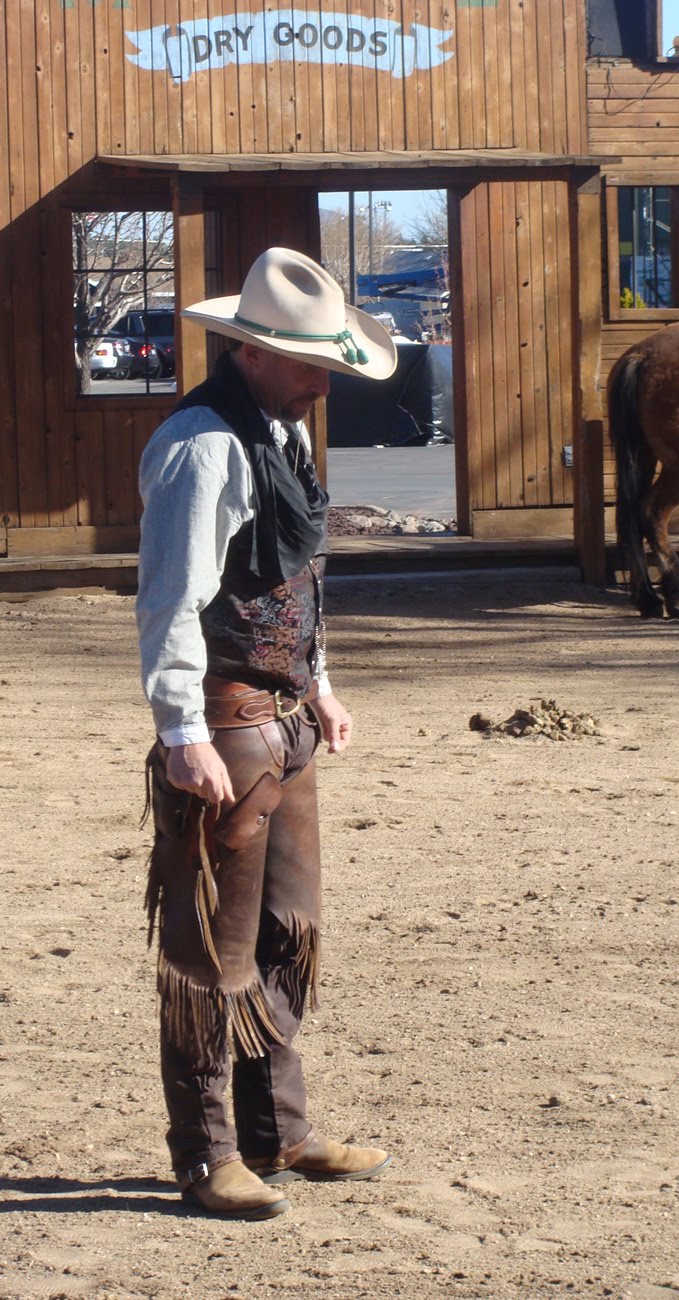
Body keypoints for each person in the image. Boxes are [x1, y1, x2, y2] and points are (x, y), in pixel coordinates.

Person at [136, 248, 398, 1220]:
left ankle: (276, 1131)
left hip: (284, 725)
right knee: (213, 949)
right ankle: (207, 1158)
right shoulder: (200, 447)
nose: (321, 376)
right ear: (248, 352)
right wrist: (179, 730)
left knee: (288, 934)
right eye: (304, 359)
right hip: (224, 727)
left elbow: (293, 584)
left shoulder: (281, 437)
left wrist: (319, 686)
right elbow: (171, 599)